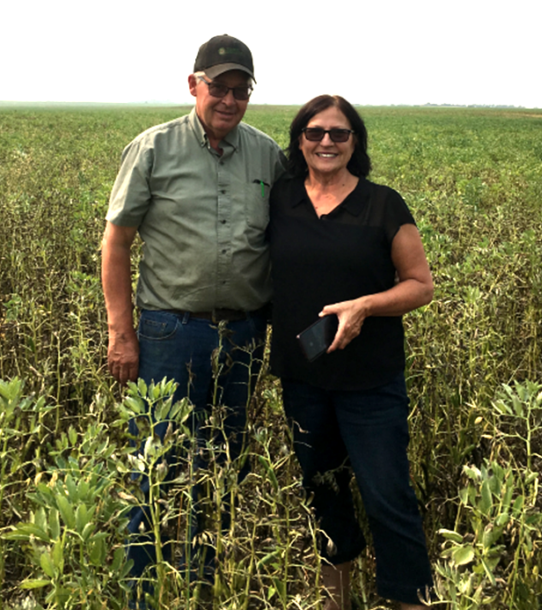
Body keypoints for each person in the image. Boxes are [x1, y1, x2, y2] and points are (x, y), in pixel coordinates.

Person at [101, 34, 286, 591]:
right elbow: (116, 244)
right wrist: (121, 333)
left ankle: (203, 586)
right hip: (169, 331)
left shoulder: (267, 154)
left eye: (240, 90)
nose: (229, 100)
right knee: (158, 463)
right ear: (193, 86)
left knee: (224, 464)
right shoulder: (153, 148)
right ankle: (141, 590)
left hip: (246, 331)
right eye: (218, 87)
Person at [268, 95, 435, 610]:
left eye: (339, 134)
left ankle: (411, 599)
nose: (326, 142)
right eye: (315, 132)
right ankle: (335, 600)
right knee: (324, 492)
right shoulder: (281, 199)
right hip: (303, 377)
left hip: (370, 381)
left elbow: (420, 286)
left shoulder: (383, 204)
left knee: (388, 497)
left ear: (354, 142)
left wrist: (365, 305)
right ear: (299, 140)